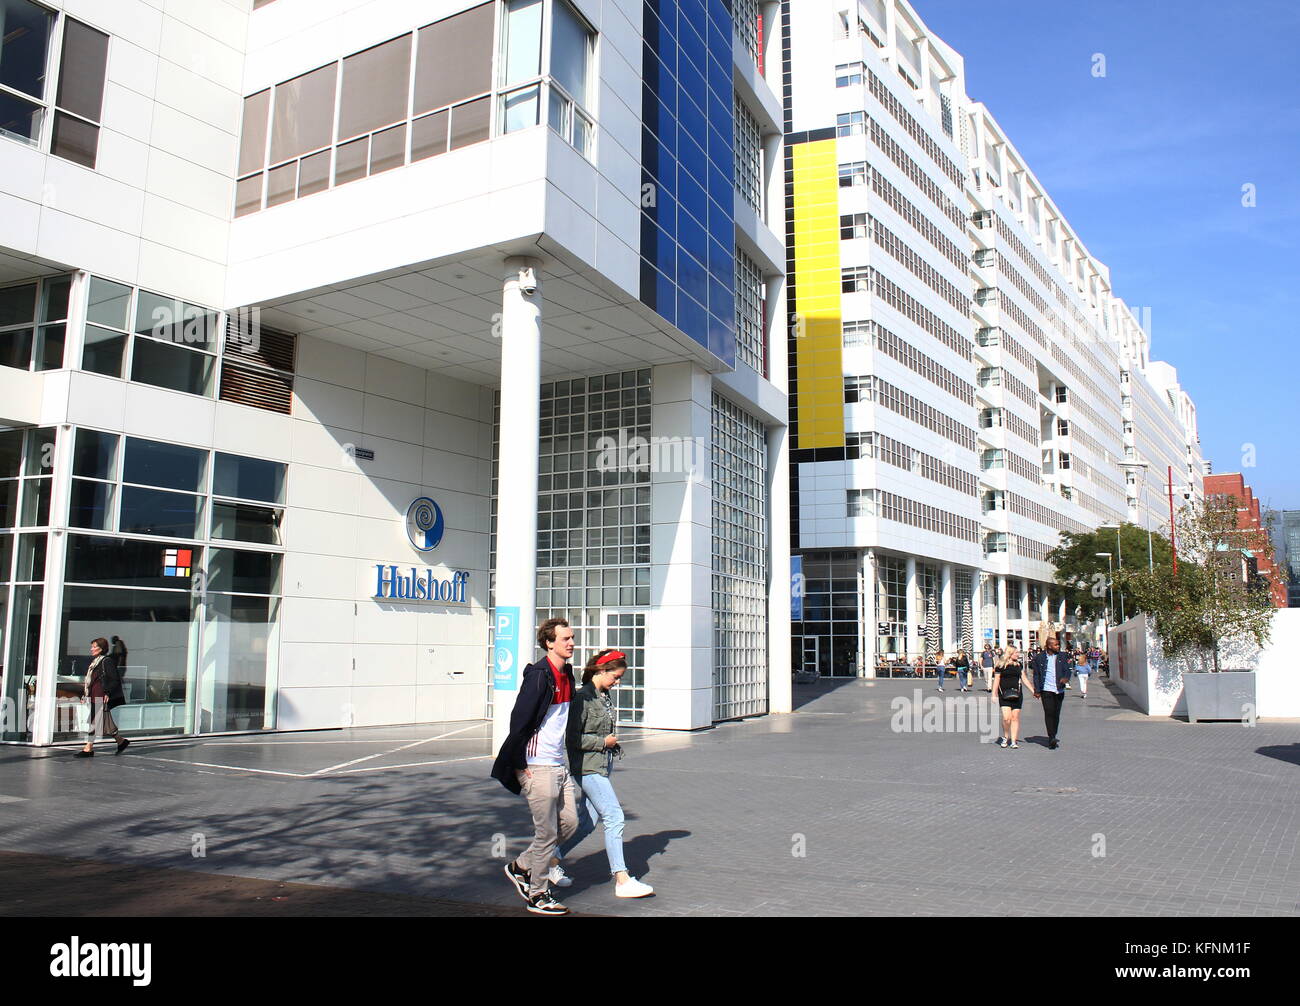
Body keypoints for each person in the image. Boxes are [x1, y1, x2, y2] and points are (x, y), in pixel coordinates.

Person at [490, 618, 580, 915]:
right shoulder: (540, 676)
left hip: (557, 764)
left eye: (571, 637)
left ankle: (521, 866)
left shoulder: (567, 673)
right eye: (565, 638)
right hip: (536, 765)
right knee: (547, 834)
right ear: (549, 642)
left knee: (570, 824)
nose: (571, 642)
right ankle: (537, 894)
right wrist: (520, 764)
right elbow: (519, 721)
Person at [552, 649, 653, 899]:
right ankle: (622, 878)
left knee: (587, 823)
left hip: (600, 765)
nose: (617, 682)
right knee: (615, 817)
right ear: (601, 670)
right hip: (588, 768)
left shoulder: (603, 696)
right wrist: (602, 742)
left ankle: (548, 861)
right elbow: (572, 739)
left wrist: (609, 745)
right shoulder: (582, 698)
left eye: (619, 678)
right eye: (615, 677)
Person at [76, 637, 128, 757]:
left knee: (94, 722)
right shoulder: (96, 662)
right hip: (95, 696)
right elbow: (91, 681)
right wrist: (85, 694)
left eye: (94, 646)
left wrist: (107, 692)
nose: (92, 649)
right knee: (105, 723)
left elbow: (115, 679)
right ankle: (121, 741)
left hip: (101, 696)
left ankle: (88, 748)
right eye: (92, 646)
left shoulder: (106, 661)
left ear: (101, 648)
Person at [1030, 636, 1074, 749]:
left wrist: (1065, 678)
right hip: (1046, 690)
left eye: (1058, 644)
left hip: (1059, 690)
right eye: (1056, 645)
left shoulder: (1062, 656)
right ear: (1049, 646)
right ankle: (1051, 737)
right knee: (1049, 712)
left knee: (1056, 713)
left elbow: (1067, 670)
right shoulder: (1039, 658)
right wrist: (1037, 690)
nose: (1058, 646)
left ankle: (1054, 732)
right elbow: (1036, 675)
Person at [992, 645, 1032, 748]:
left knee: (1015, 718)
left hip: (1017, 694)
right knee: (1006, 718)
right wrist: (993, 694)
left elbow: (1024, 679)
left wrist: (1033, 691)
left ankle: (1014, 741)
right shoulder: (1000, 665)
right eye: (1016, 653)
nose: (1018, 655)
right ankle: (1006, 736)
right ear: (1010, 653)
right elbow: (996, 680)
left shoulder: (1018, 665)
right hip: (1004, 694)